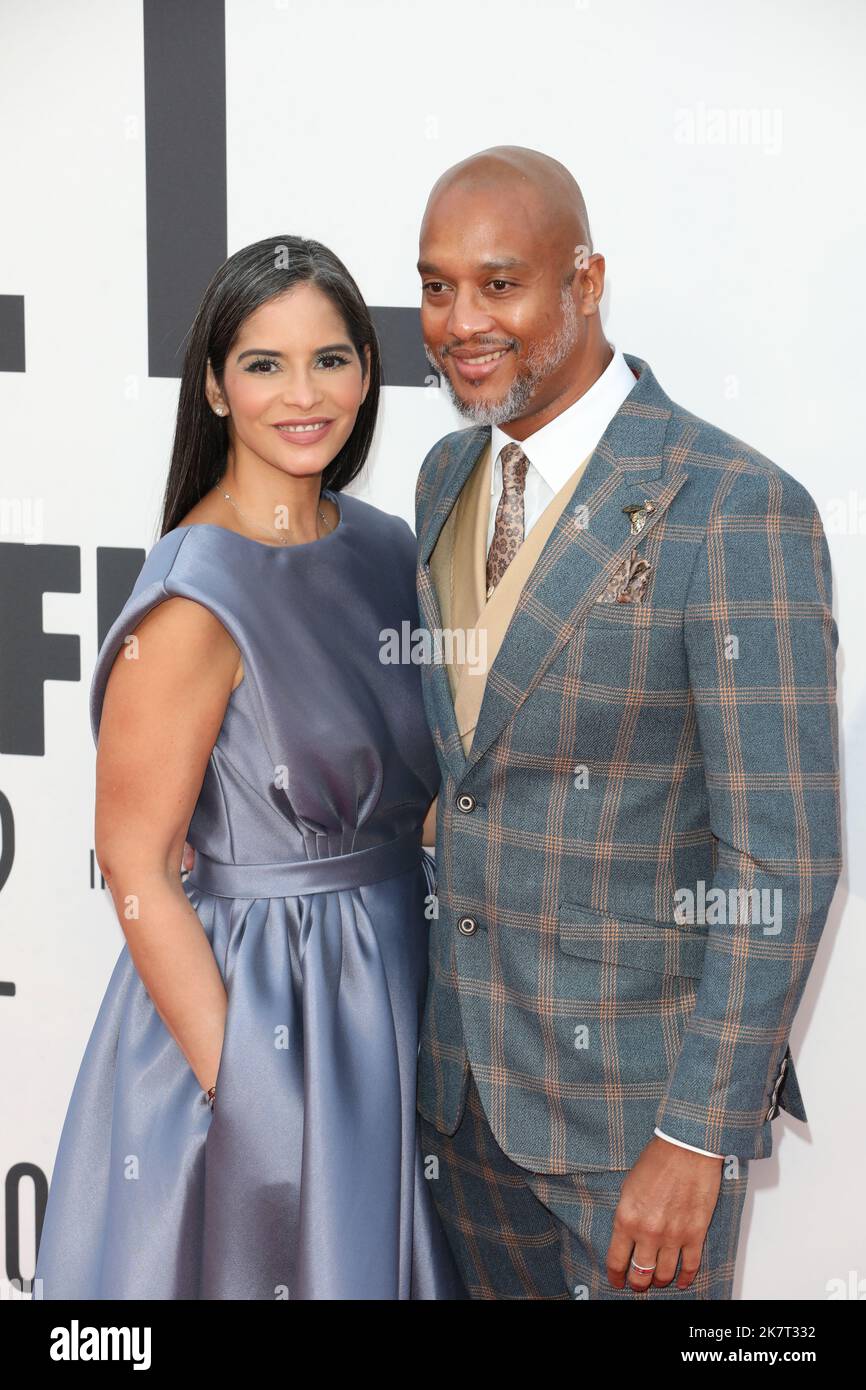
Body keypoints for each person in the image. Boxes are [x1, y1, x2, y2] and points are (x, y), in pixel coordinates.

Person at [412, 146, 841, 1299]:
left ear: (585, 281)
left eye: (498, 283)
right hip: (460, 1109)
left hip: (635, 1134)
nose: (459, 321)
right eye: (436, 286)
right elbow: (473, 770)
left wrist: (697, 1131)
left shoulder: (732, 505)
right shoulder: (444, 476)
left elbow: (783, 855)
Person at [34, 235, 465, 1301]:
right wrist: (252, 1091)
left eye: (330, 359)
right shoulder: (196, 594)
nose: (303, 394)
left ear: (367, 371)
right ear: (217, 388)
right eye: (264, 364)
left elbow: (423, 795)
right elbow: (133, 860)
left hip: (398, 983)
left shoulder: (386, 548)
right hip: (263, 1002)